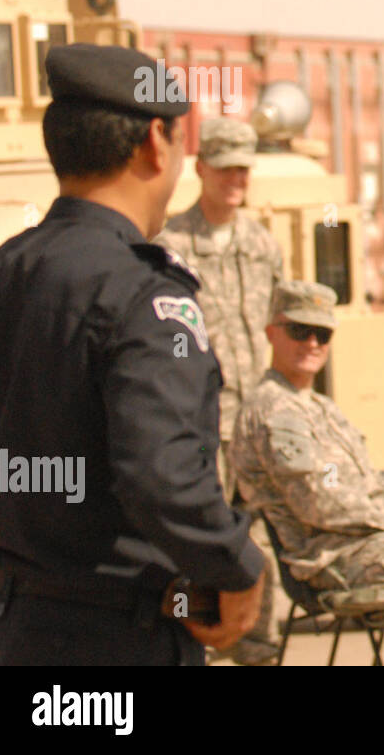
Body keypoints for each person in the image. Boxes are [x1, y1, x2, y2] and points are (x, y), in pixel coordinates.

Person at [0, 42, 264, 666]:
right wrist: (237, 564)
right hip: (112, 639)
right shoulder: (144, 294)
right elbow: (159, 473)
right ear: (154, 144)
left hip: (5, 626)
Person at [230, 281, 384, 665]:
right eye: (299, 330)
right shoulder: (272, 409)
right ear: (271, 333)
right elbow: (319, 505)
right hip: (329, 558)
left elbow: (376, 485)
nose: (312, 343)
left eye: (323, 334)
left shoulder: (322, 408)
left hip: (369, 543)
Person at [155, 116, 284, 664]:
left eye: (244, 169)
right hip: (201, 420)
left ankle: (257, 647)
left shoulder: (262, 243)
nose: (236, 179)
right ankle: (192, 642)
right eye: (226, 167)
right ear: (201, 167)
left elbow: (277, 322)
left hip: (256, 418)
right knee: (199, 540)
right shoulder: (170, 244)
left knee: (267, 541)